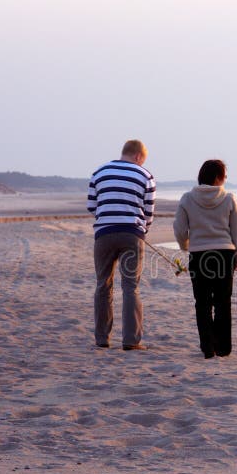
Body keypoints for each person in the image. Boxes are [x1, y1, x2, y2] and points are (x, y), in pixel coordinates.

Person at [87, 140, 156, 351]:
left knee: (103, 285)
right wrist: (139, 228)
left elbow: (92, 206)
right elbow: (149, 215)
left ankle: (102, 338)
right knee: (130, 287)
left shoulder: (98, 173)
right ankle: (131, 340)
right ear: (138, 157)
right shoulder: (145, 176)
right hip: (131, 236)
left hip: (104, 235)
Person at [173, 160, 237, 359]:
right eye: (224, 176)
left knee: (202, 303)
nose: (225, 180)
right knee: (223, 302)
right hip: (224, 255)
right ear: (216, 177)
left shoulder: (187, 198)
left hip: (199, 255)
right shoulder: (229, 198)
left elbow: (179, 229)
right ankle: (223, 347)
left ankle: (207, 347)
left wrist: (186, 246)